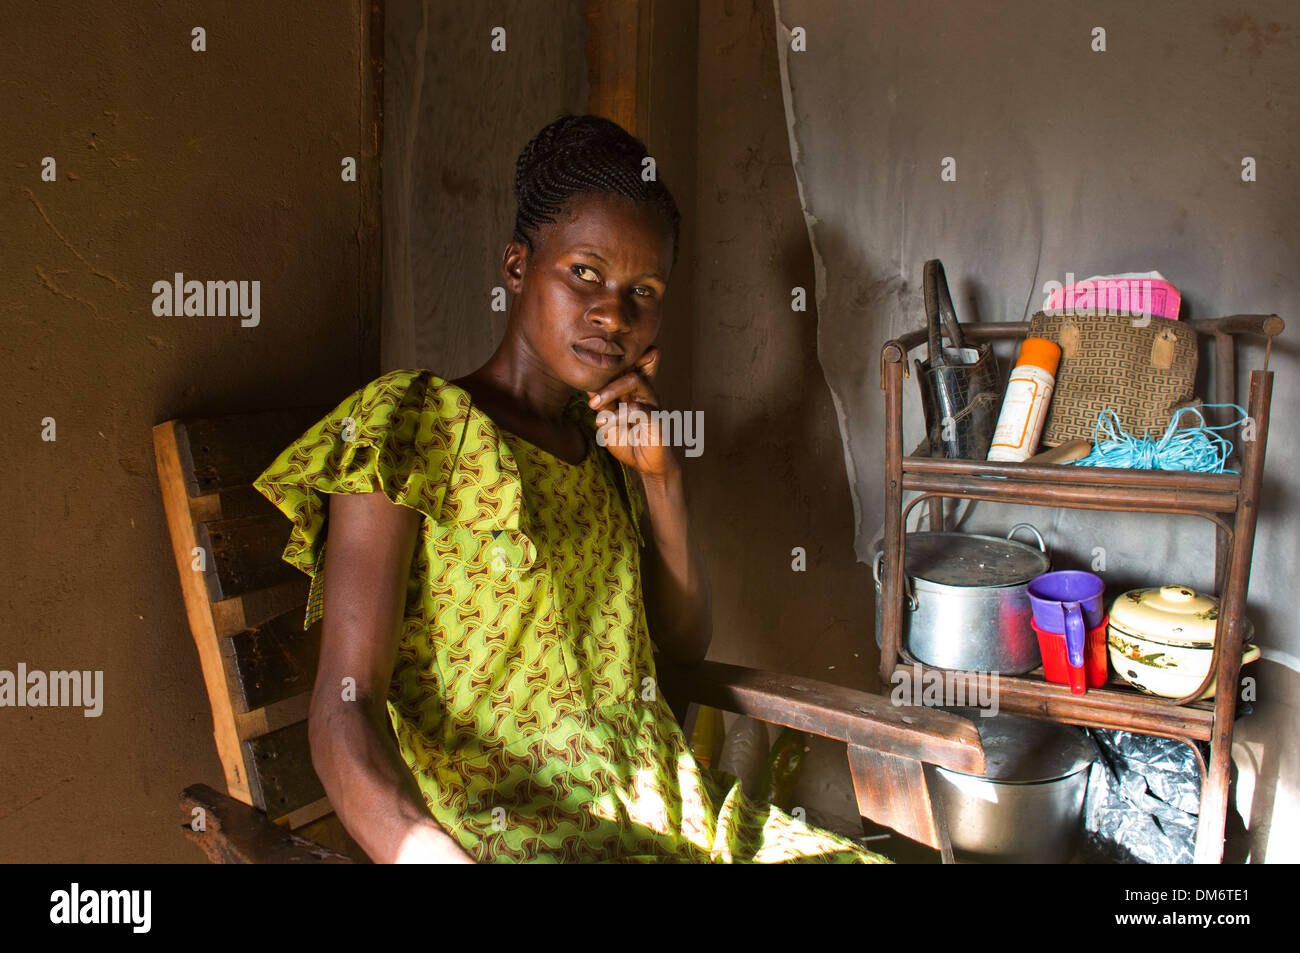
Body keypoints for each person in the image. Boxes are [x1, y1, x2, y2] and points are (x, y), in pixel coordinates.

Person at [253, 113, 889, 863]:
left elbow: (683, 645)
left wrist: (661, 481)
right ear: (517, 265)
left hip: (676, 819)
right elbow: (345, 707)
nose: (614, 314)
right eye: (585, 272)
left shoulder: (601, 449)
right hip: (523, 840)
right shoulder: (413, 425)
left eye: (643, 290)